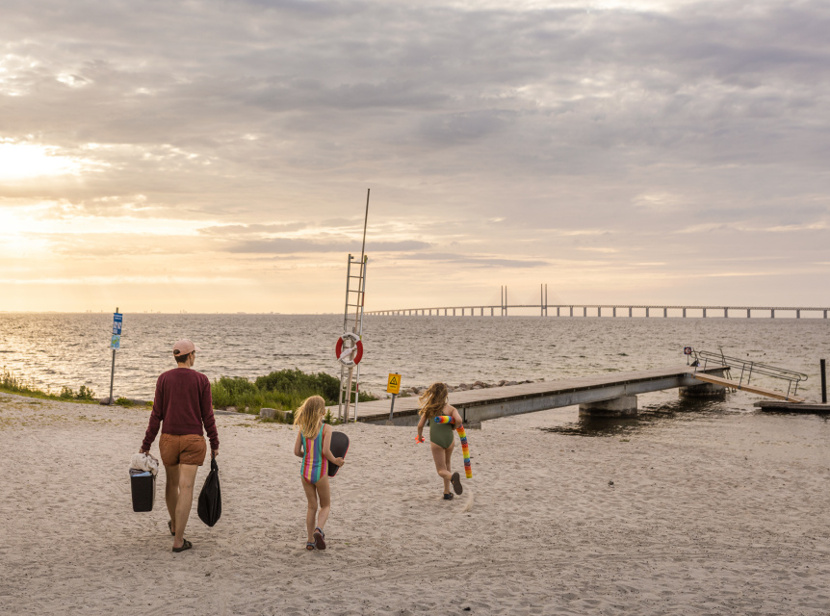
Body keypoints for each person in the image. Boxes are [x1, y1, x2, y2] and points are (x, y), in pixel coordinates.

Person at [139, 339, 219, 553]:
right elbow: (208, 416)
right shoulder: (201, 380)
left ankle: (175, 525)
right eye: (195, 354)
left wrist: (146, 444)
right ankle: (178, 541)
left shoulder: (164, 379)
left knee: (172, 483)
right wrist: (214, 442)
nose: (195, 357)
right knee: (186, 487)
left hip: (169, 440)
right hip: (193, 441)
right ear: (190, 355)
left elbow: (156, 415)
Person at [293, 395, 344, 551]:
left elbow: (296, 452)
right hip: (320, 472)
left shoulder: (303, 428)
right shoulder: (326, 429)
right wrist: (336, 461)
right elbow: (326, 451)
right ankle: (319, 529)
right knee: (325, 505)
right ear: (322, 412)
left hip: (305, 472)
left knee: (311, 506)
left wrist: (308, 456)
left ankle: (310, 541)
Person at [416, 382, 463, 500]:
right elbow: (459, 420)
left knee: (441, 470)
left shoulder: (430, 408)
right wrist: (454, 427)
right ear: (445, 394)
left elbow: (420, 425)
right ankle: (447, 492)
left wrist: (420, 436)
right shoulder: (451, 409)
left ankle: (452, 478)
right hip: (450, 440)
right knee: (447, 464)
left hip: (437, 441)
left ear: (432, 394)